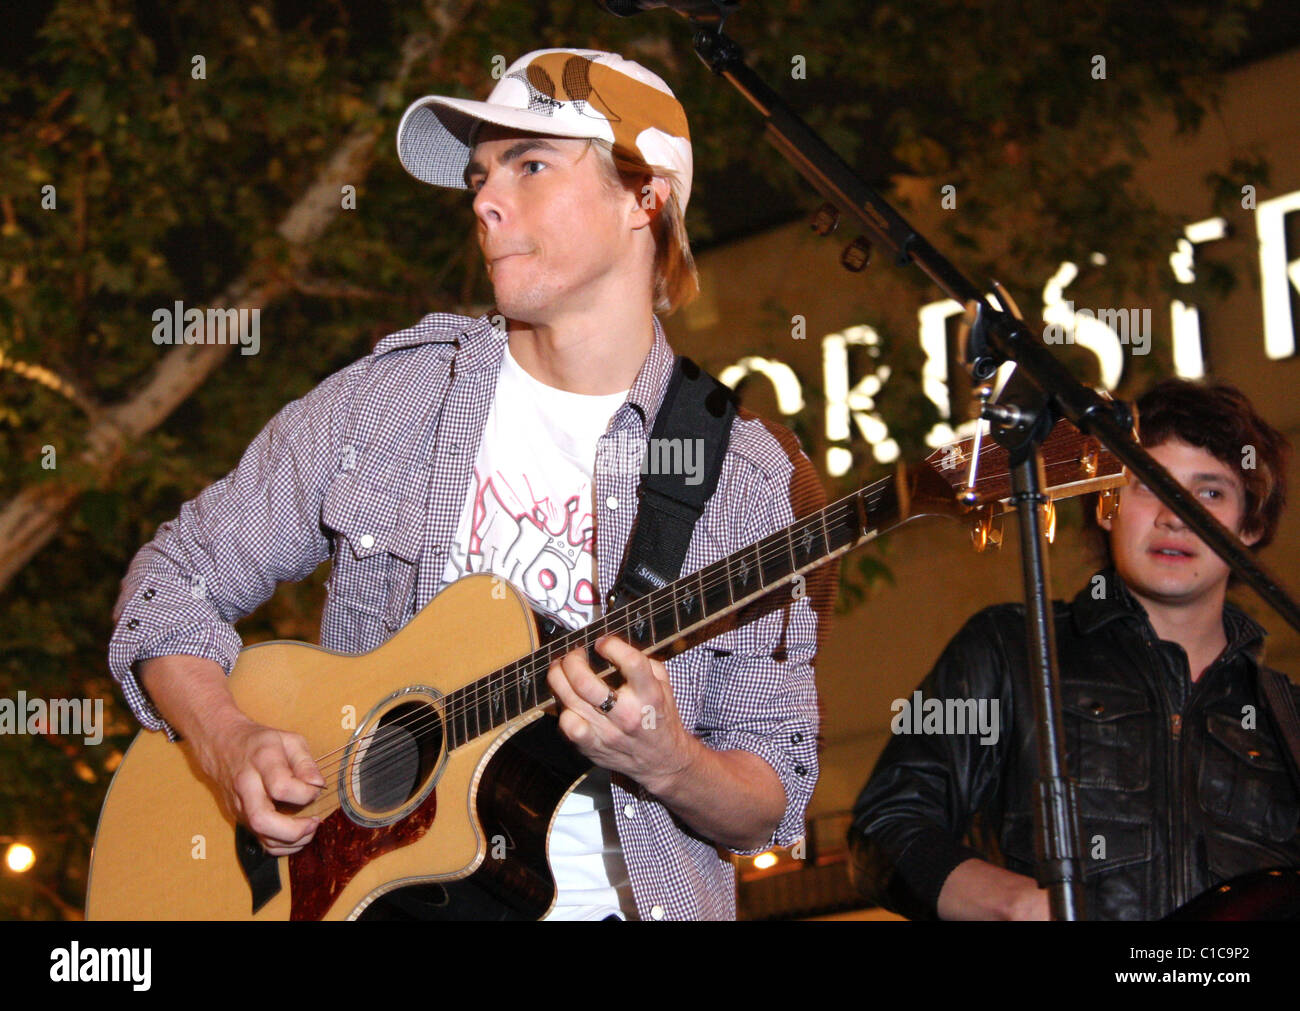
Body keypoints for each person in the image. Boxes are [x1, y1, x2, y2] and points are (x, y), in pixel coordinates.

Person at [108, 48, 832, 921]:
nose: (486, 199)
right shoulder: (395, 397)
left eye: (531, 166)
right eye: (482, 173)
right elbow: (170, 583)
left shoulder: (744, 482)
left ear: (646, 198)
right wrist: (229, 741)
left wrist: (670, 759)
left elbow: (771, 795)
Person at [848, 378, 1300, 920]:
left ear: (1249, 524)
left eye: (1209, 492)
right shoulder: (1009, 647)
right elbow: (884, 830)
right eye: (1148, 485)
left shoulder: (1288, 718)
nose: (1174, 516)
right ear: (1106, 505)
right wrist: (1013, 904)